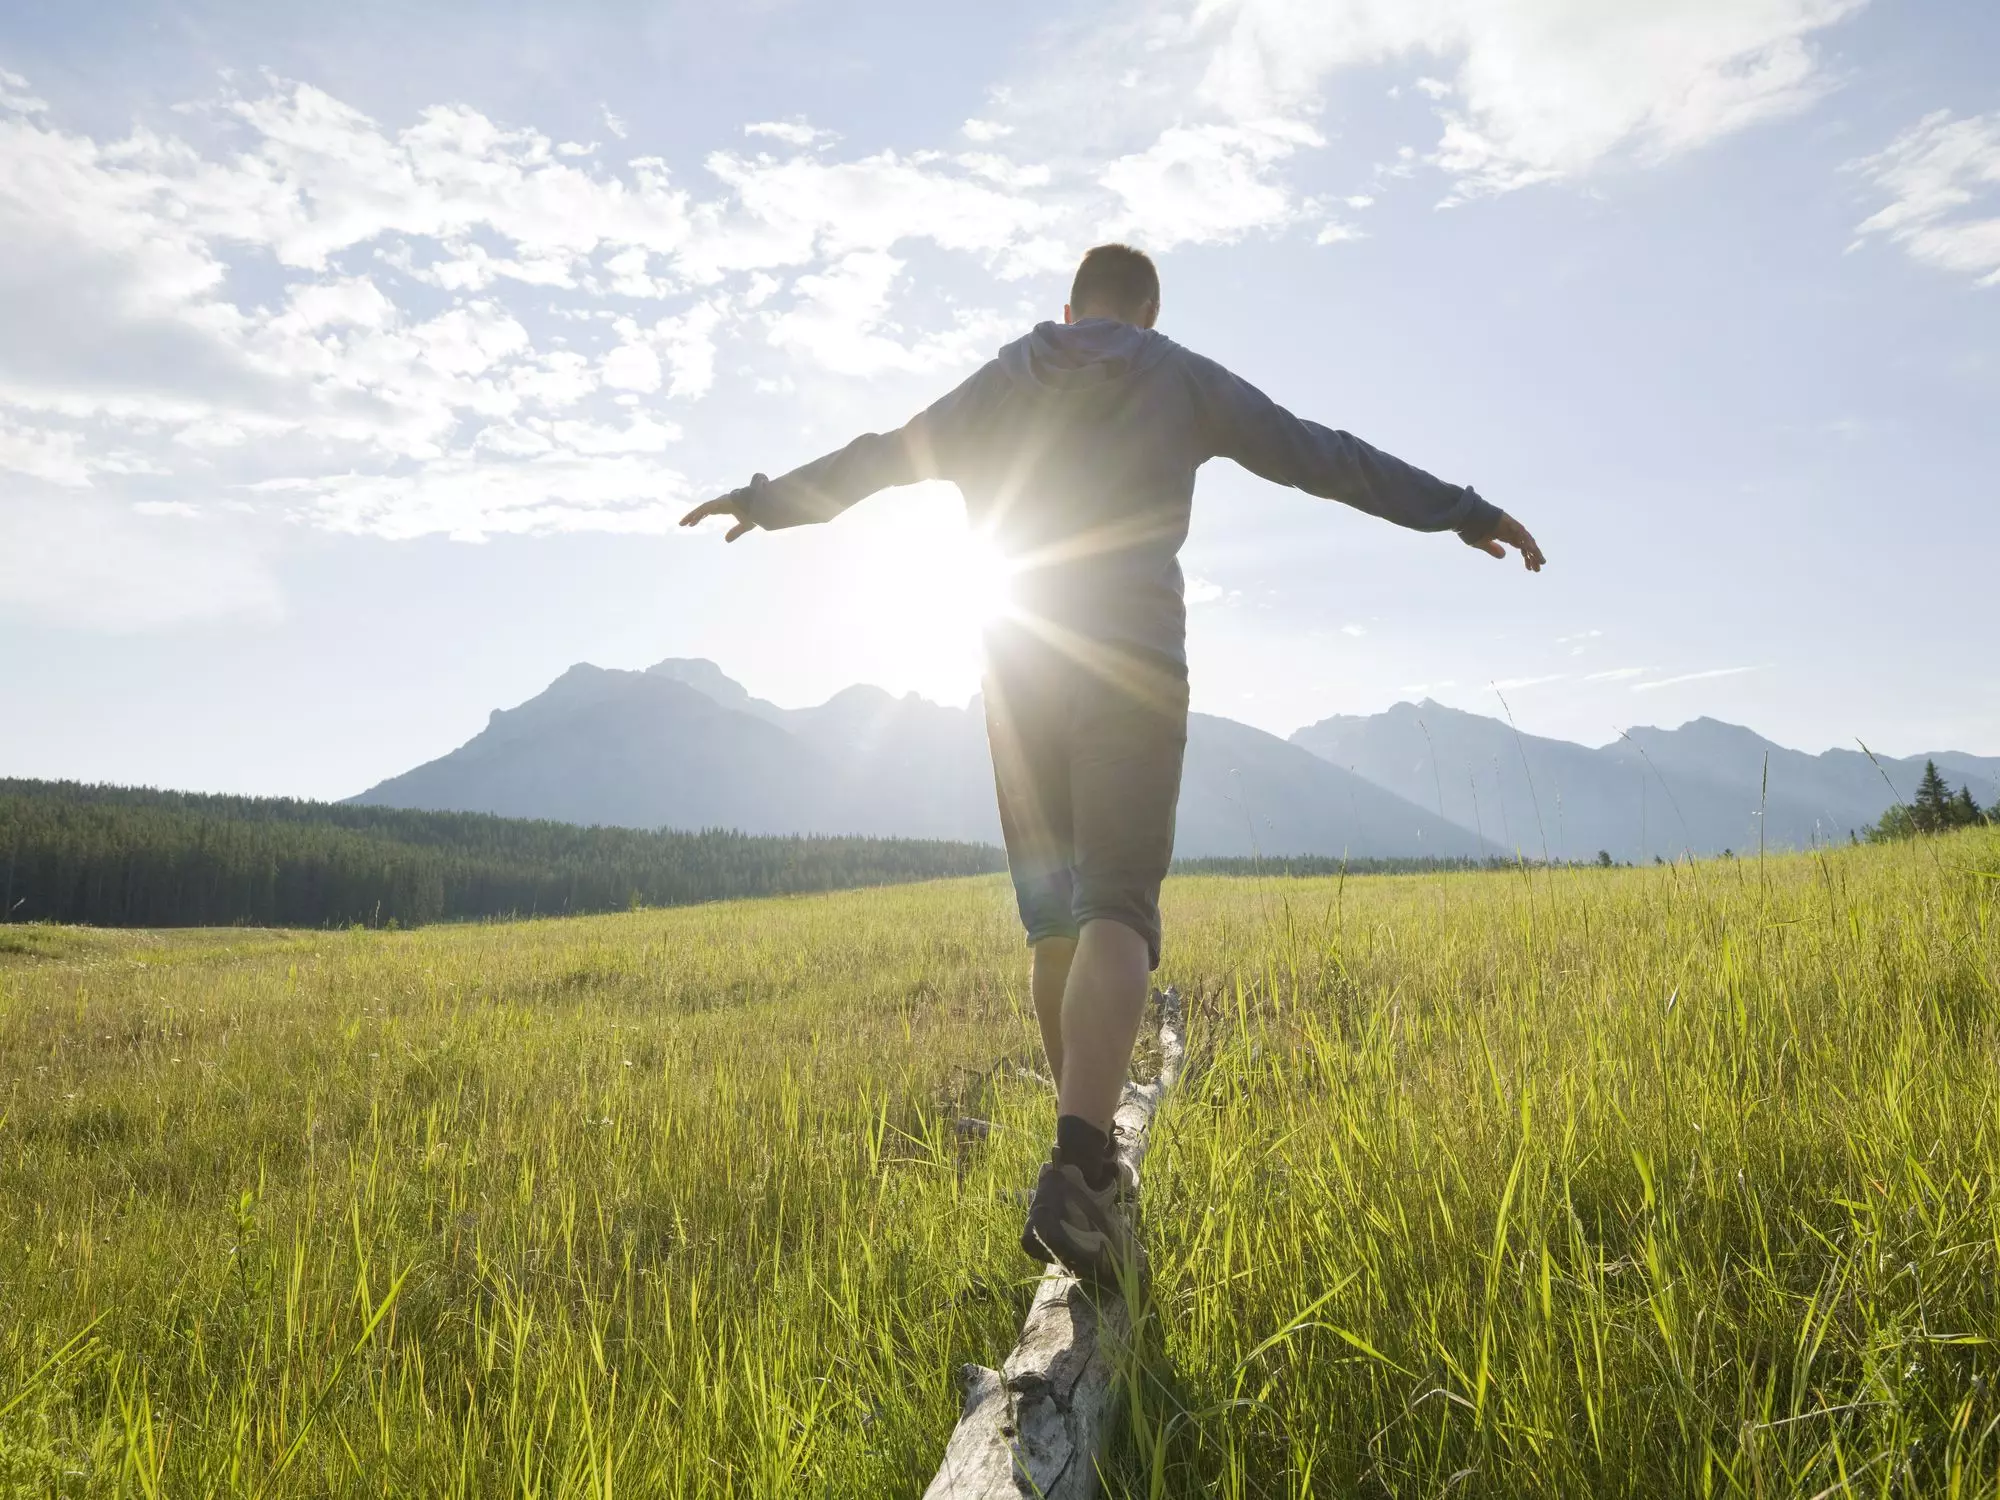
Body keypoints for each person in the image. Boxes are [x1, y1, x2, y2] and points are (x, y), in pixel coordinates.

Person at [681, 243, 1544, 1287]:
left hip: (1015, 671)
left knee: (1053, 919)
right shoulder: (1173, 374)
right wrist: (1458, 509)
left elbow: (879, 456)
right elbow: (1321, 454)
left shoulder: (1003, 378)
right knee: (1118, 910)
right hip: (1127, 666)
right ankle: (1081, 1168)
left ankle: (1080, 1162)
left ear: (1068, 306)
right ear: (1146, 310)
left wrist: (767, 501)